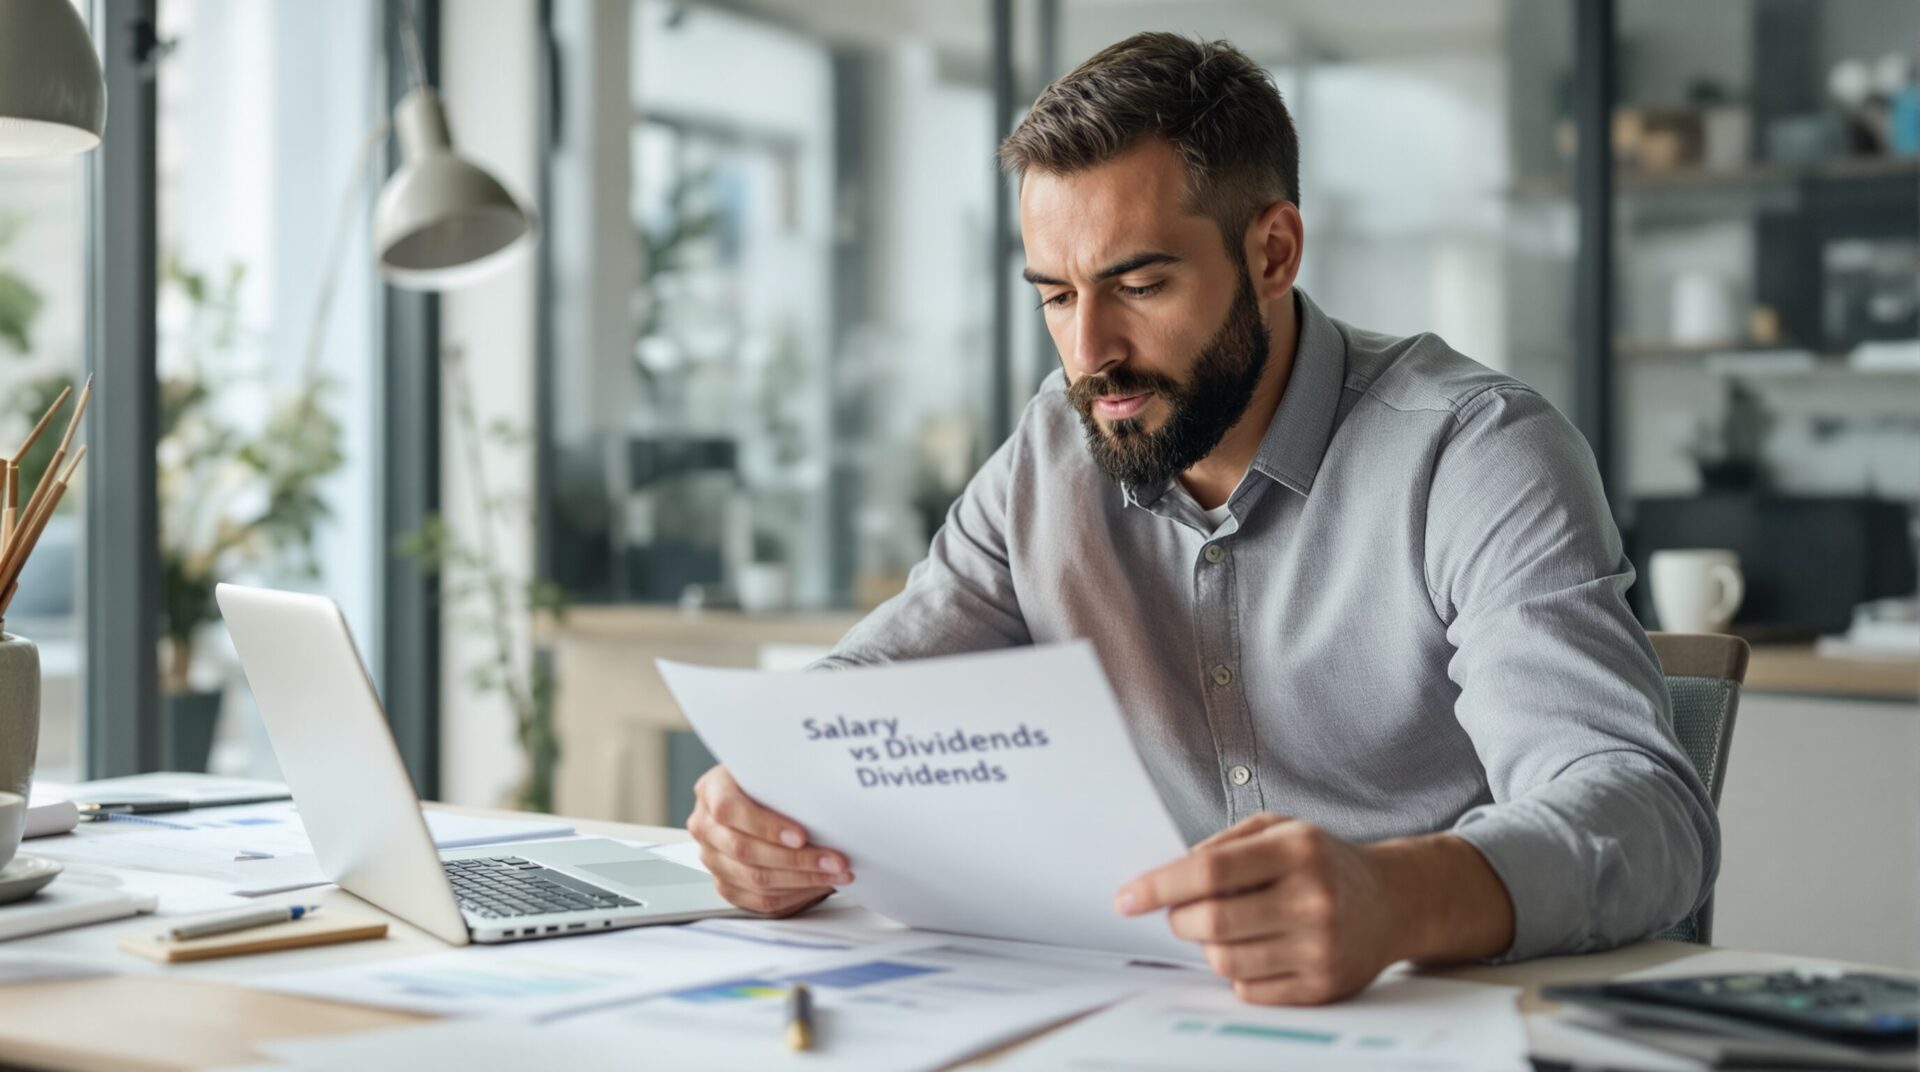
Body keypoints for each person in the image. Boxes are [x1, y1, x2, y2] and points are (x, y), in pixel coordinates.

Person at [686, 31, 1718, 1006]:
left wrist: (1393, 896)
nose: (1090, 350)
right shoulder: (1053, 452)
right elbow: (854, 704)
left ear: (1273, 252)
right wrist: (766, 812)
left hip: (1427, 1014)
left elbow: (1643, 812)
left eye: (1138, 282)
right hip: (1144, 1014)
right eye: (1054, 294)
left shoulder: (1474, 451)